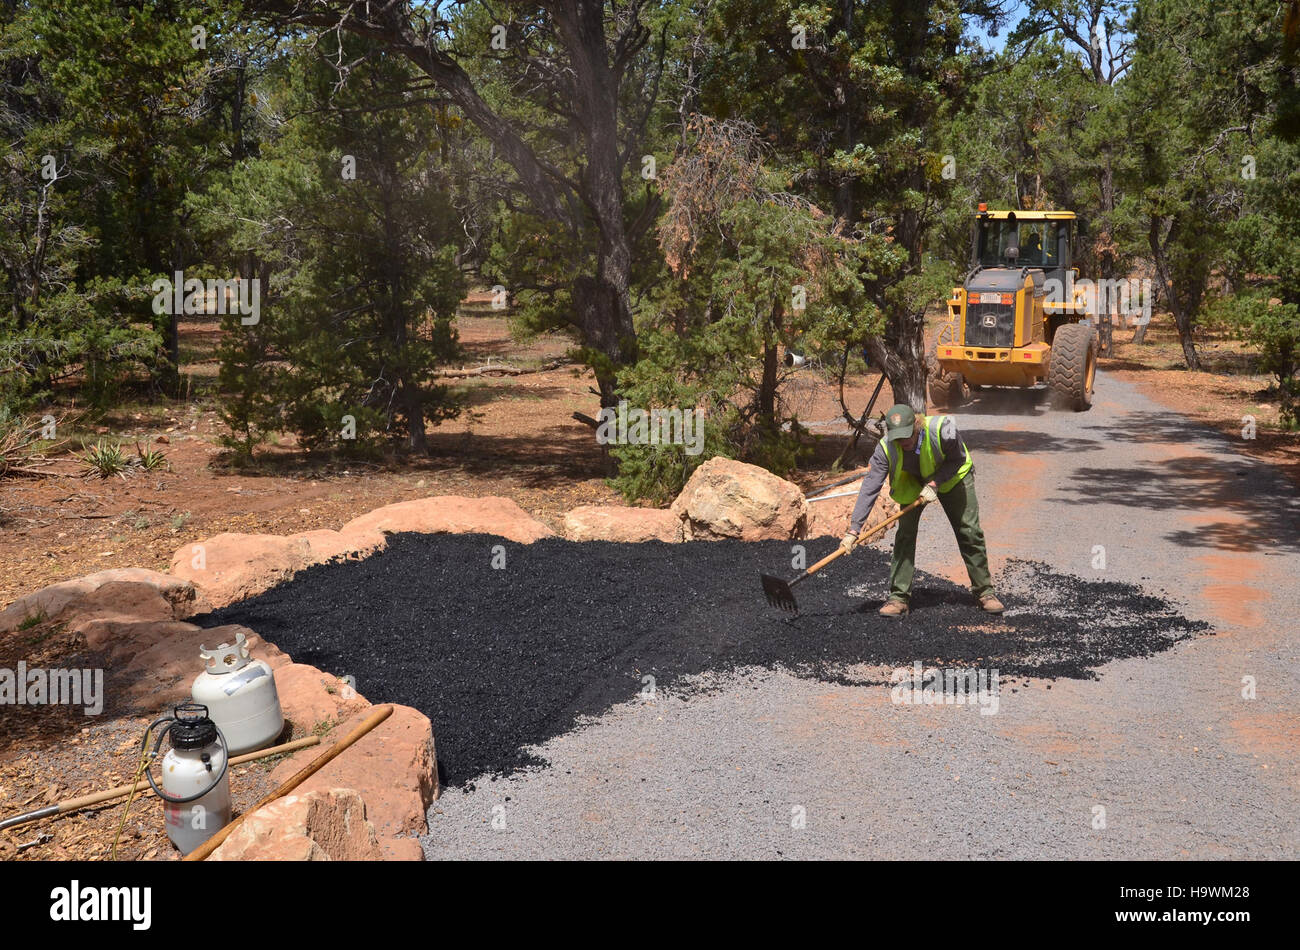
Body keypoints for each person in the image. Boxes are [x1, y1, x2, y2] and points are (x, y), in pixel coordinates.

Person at [840, 404, 1004, 617]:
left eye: (907, 436)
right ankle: (898, 598)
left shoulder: (943, 430)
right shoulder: (885, 448)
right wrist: (854, 530)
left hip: (953, 478)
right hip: (913, 484)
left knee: (969, 531)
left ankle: (985, 592)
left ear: (917, 424)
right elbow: (870, 486)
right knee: (905, 536)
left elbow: (958, 459)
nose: (903, 442)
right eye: (898, 438)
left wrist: (935, 484)